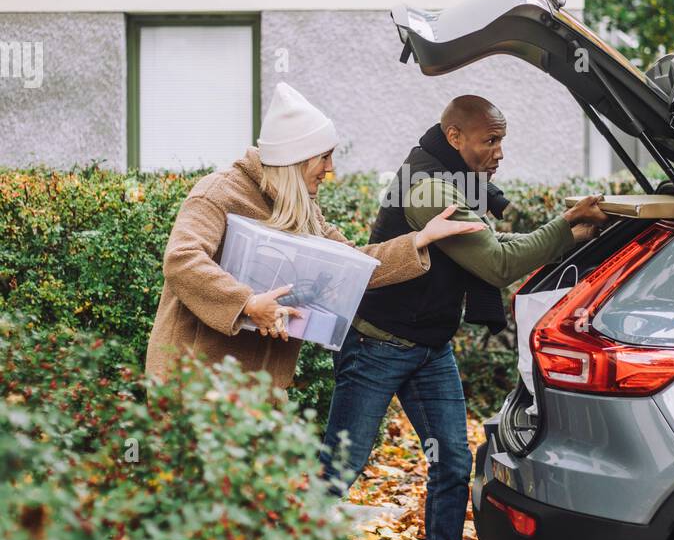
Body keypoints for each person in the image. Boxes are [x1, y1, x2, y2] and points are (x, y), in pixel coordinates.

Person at [320, 95, 608, 540]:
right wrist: (566, 222)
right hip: (379, 345)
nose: (498, 153)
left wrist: (573, 237)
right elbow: (497, 261)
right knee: (341, 466)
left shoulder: (455, 175)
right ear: (455, 137)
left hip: (428, 347)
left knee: (452, 463)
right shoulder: (431, 189)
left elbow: (499, 248)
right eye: (488, 141)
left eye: (501, 140)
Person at [145, 82, 483, 391]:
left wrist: (420, 239)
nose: (331, 168)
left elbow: (353, 265)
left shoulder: (303, 210)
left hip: (254, 390)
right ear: (294, 159)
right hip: (192, 383)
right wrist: (246, 304)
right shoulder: (218, 192)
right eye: (324, 156)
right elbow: (182, 260)